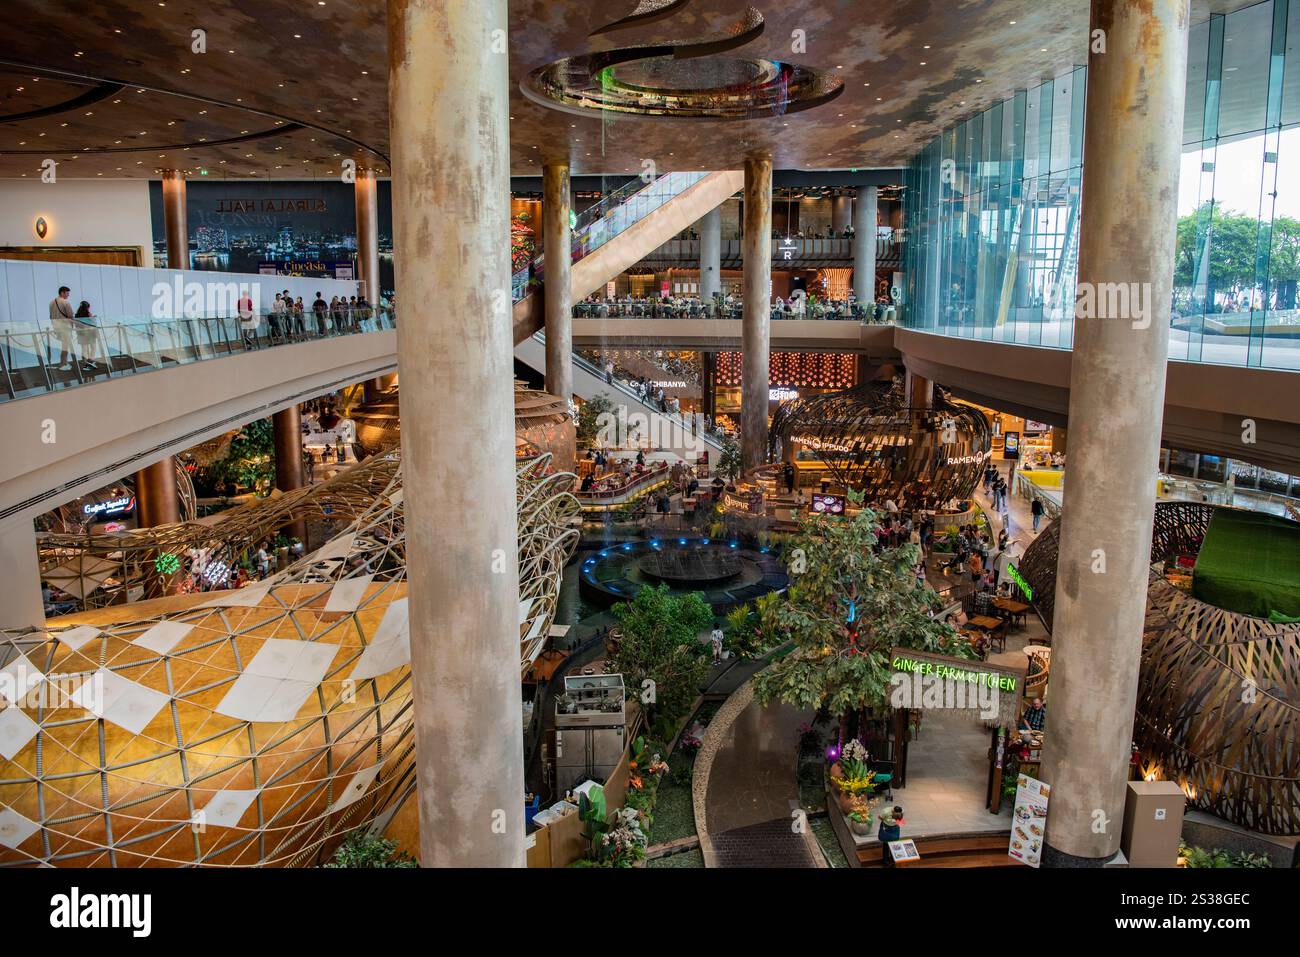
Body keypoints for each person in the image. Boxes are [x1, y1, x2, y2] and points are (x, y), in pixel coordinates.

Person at [49, 285, 78, 369]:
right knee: (65, 345)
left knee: (63, 345)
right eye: (67, 293)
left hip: (56, 327)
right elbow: (70, 316)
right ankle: (63, 363)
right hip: (65, 327)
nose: (68, 295)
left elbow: (51, 316)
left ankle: (63, 362)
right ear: (62, 293)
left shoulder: (51, 302)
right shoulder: (65, 302)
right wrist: (72, 326)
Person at [73, 300, 99, 374]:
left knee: (84, 349)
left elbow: (77, 325)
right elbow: (93, 323)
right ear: (87, 307)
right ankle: (91, 362)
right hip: (90, 333)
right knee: (93, 348)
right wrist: (93, 318)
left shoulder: (77, 315)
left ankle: (86, 364)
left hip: (81, 334)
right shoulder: (88, 314)